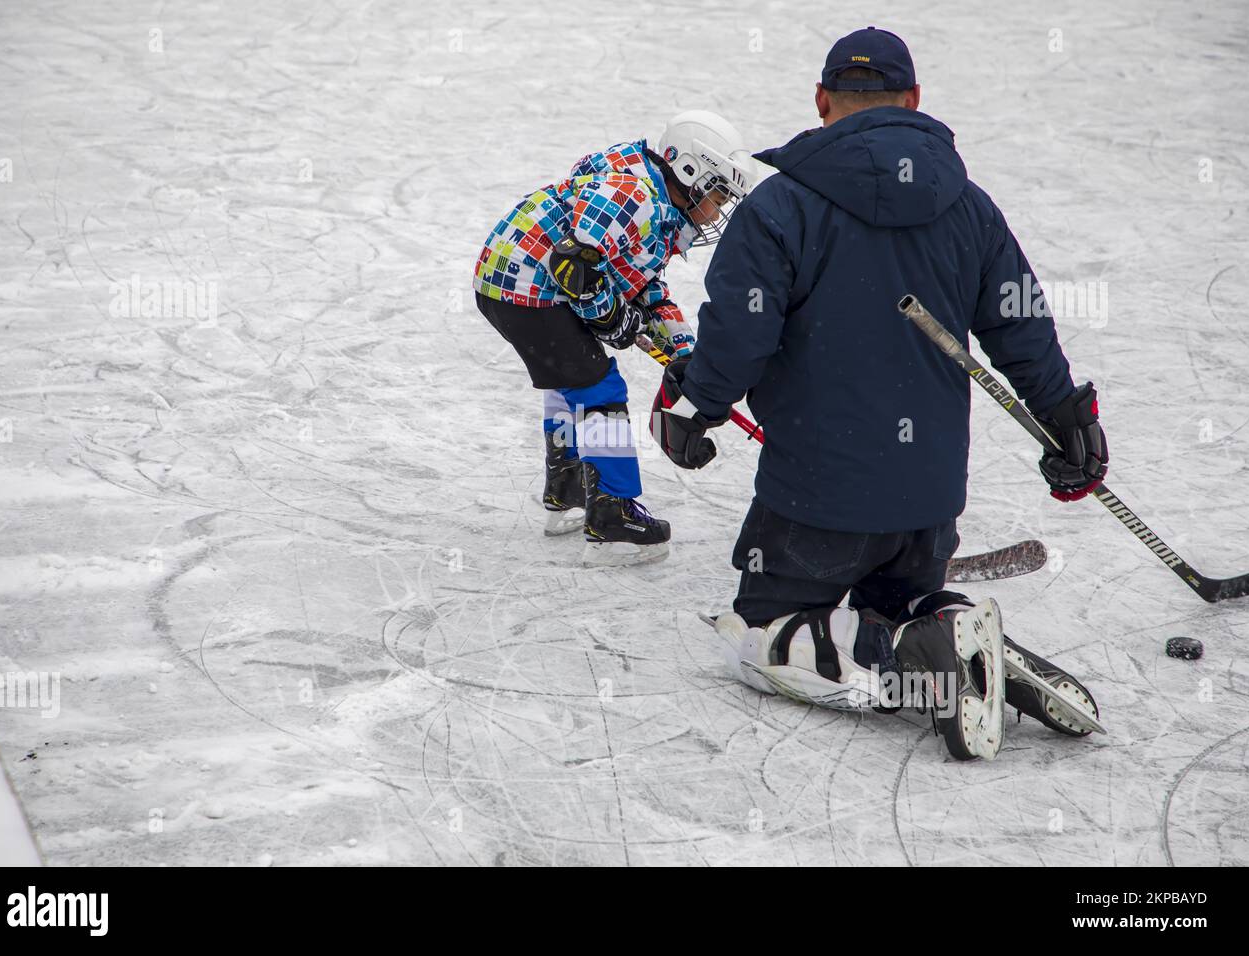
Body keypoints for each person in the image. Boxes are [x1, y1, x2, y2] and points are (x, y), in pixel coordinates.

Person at [650, 28, 1107, 759]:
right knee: (890, 596)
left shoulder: (780, 208)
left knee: (759, 635)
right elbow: (1019, 320)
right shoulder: (971, 207)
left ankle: (918, 657)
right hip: (929, 507)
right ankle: (938, 614)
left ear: (824, 102)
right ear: (916, 102)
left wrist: (694, 410)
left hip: (815, 500)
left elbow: (739, 335)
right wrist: (1065, 416)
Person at [474, 111, 755, 566]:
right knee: (599, 387)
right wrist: (611, 319)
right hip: (524, 286)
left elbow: (639, 284)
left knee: (573, 378)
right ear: (690, 173)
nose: (718, 210)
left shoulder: (656, 201)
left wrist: (686, 355)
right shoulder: (637, 196)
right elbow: (575, 265)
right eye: (718, 195)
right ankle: (613, 520)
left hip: (512, 281)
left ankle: (566, 491)